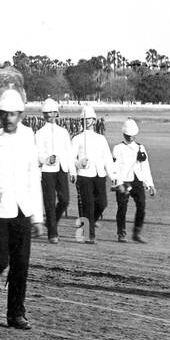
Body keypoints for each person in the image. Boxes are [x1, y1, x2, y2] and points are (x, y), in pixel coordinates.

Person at [0, 89, 45, 329]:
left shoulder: (29, 140)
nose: (10, 118)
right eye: (6, 114)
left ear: (21, 115)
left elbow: (34, 179)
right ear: (0, 116)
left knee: (21, 265)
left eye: (14, 114)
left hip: (22, 211)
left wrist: (37, 218)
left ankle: (15, 315)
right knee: (1, 261)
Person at [71, 105, 115, 244]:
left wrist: (113, 177)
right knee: (88, 205)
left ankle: (87, 224)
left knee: (102, 203)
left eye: (90, 118)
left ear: (94, 120)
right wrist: (79, 164)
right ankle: (90, 234)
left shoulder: (101, 138)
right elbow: (70, 159)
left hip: (99, 174)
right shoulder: (77, 139)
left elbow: (107, 158)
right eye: (85, 119)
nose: (87, 121)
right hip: (84, 175)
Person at [34, 97, 74, 243]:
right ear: (44, 115)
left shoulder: (63, 132)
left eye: (52, 113)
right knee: (49, 202)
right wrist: (46, 159)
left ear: (56, 114)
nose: (50, 115)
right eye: (47, 113)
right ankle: (53, 233)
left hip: (62, 169)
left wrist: (73, 171)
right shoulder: (39, 133)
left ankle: (51, 221)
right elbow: (37, 154)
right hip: (47, 171)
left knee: (65, 200)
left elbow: (69, 152)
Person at [112, 118, 156, 243]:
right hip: (123, 181)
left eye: (132, 135)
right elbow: (114, 168)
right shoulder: (118, 148)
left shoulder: (141, 147)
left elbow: (145, 167)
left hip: (137, 180)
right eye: (128, 135)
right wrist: (117, 183)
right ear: (124, 134)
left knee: (142, 204)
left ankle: (137, 232)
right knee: (122, 207)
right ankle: (121, 233)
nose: (130, 137)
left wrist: (150, 184)